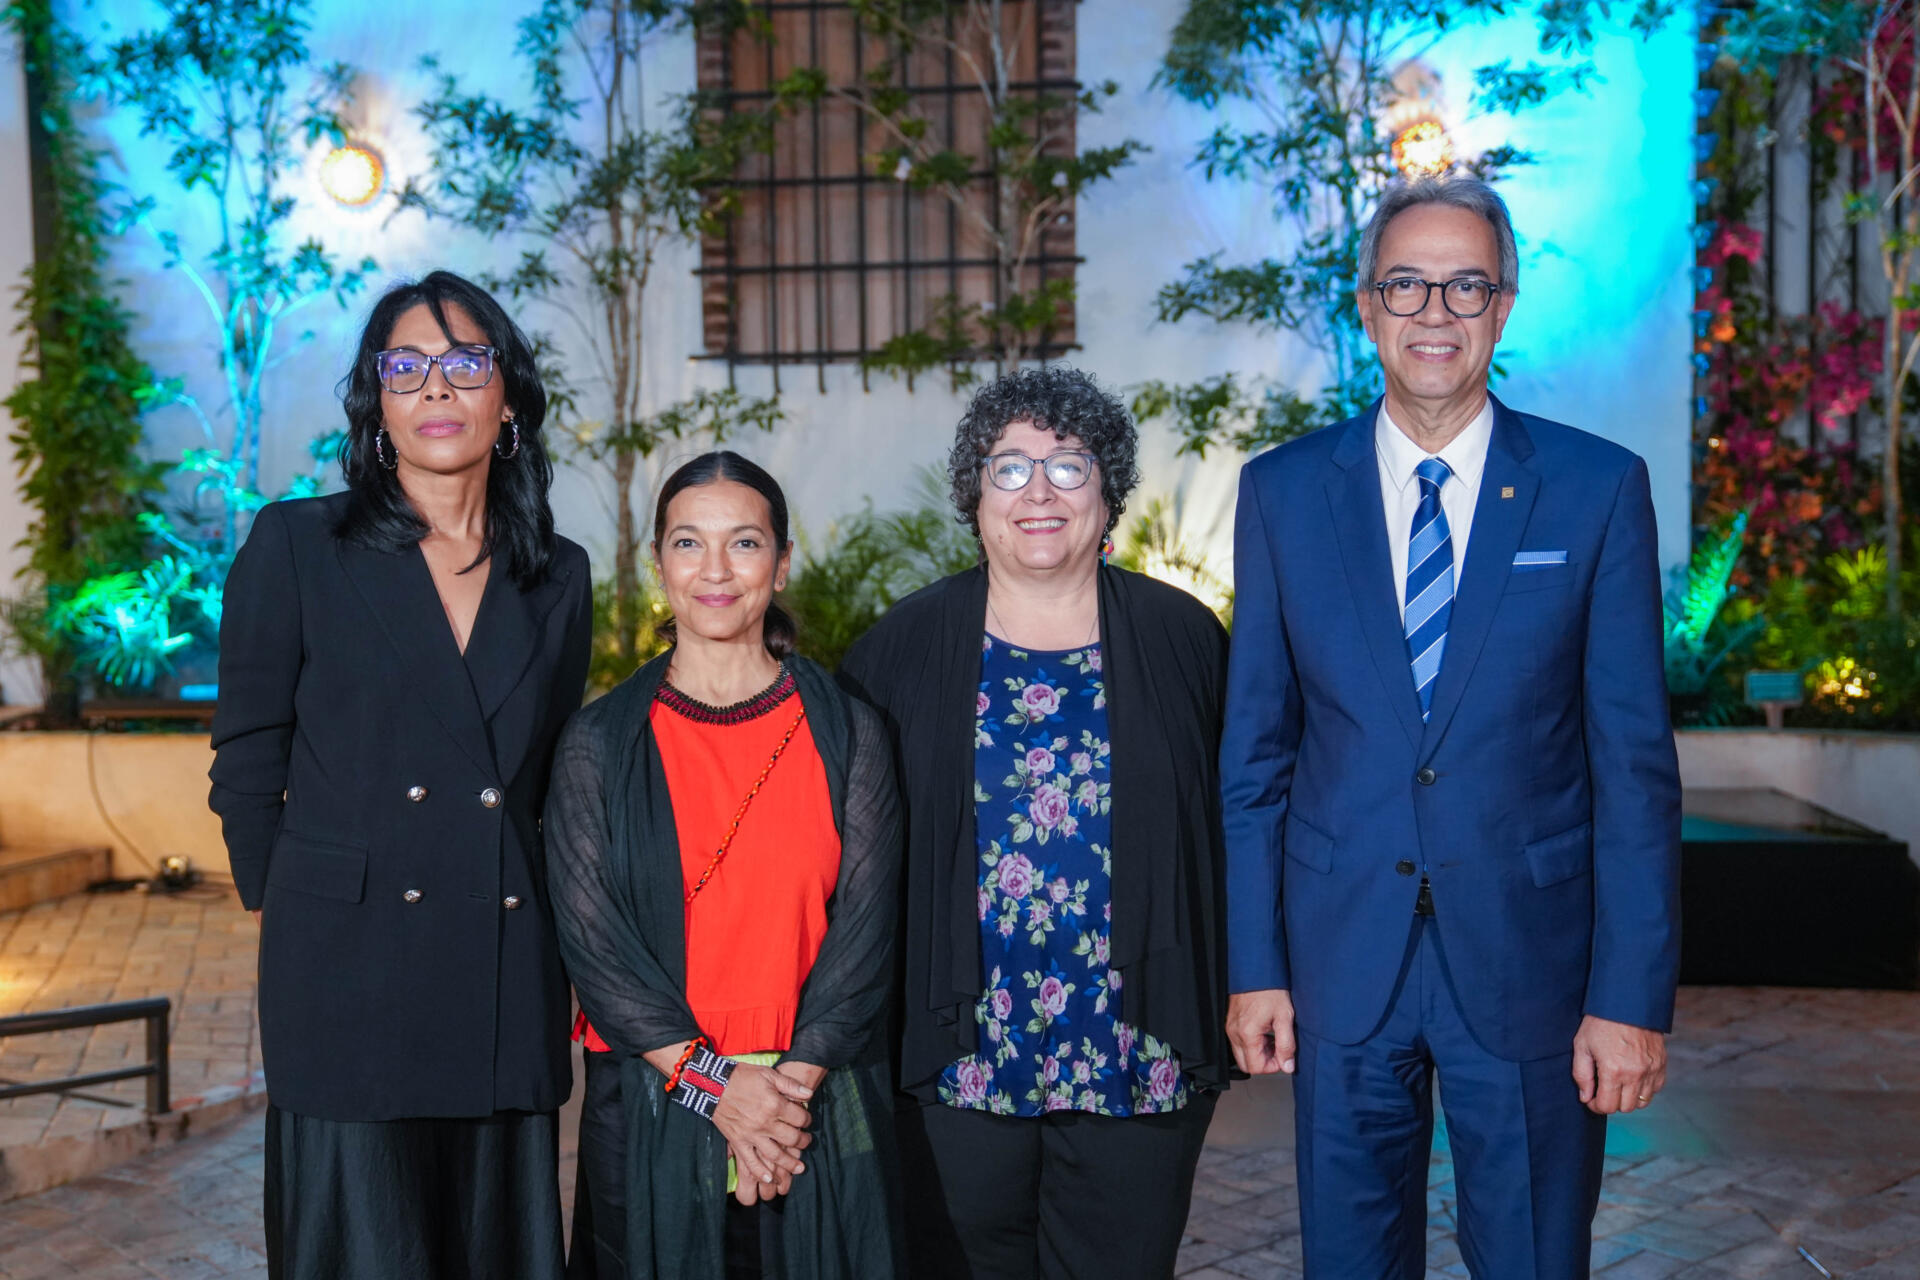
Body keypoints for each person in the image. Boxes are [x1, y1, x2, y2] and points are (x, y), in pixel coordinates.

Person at [1220, 175, 1682, 1279]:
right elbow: (1255, 756)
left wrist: (1629, 997)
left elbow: (1633, 768)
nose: (1436, 310)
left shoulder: (1594, 487)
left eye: (1466, 284)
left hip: (1530, 963)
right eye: (1407, 284)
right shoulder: (1283, 493)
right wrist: (1256, 965)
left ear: (1506, 304)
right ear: (1368, 308)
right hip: (1340, 963)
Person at [208, 270, 593, 1278]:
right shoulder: (300, 545)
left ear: (506, 396)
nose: (436, 388)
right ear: (376, 400)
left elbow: (546, 776)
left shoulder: (558, 572)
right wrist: (292, 899)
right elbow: (249, 753)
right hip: (347, 967)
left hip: (503, 959)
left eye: (465, 363)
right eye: (406, 366)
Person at [840, 366, 1232, 1280]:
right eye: (1008, 469)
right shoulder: (897, 649)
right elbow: (853, 857)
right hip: (958, 1049)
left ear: (1110, 490)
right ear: (974, 497)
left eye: (1069, 464)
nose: (1040, 492)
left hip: (1136, 1046)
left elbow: (1235, 827)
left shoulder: (1183, 637)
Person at [546, 451, 903, 1280]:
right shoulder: (598, 745)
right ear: (660, 566)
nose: (715, 570)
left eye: (744, 544)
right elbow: (596, 948)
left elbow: (866, 927)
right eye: (687, 543)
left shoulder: (851, 733)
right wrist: (718, 1087)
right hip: (653, 1096)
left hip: (817, 1097)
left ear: (780, 565)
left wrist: (781, 1100)